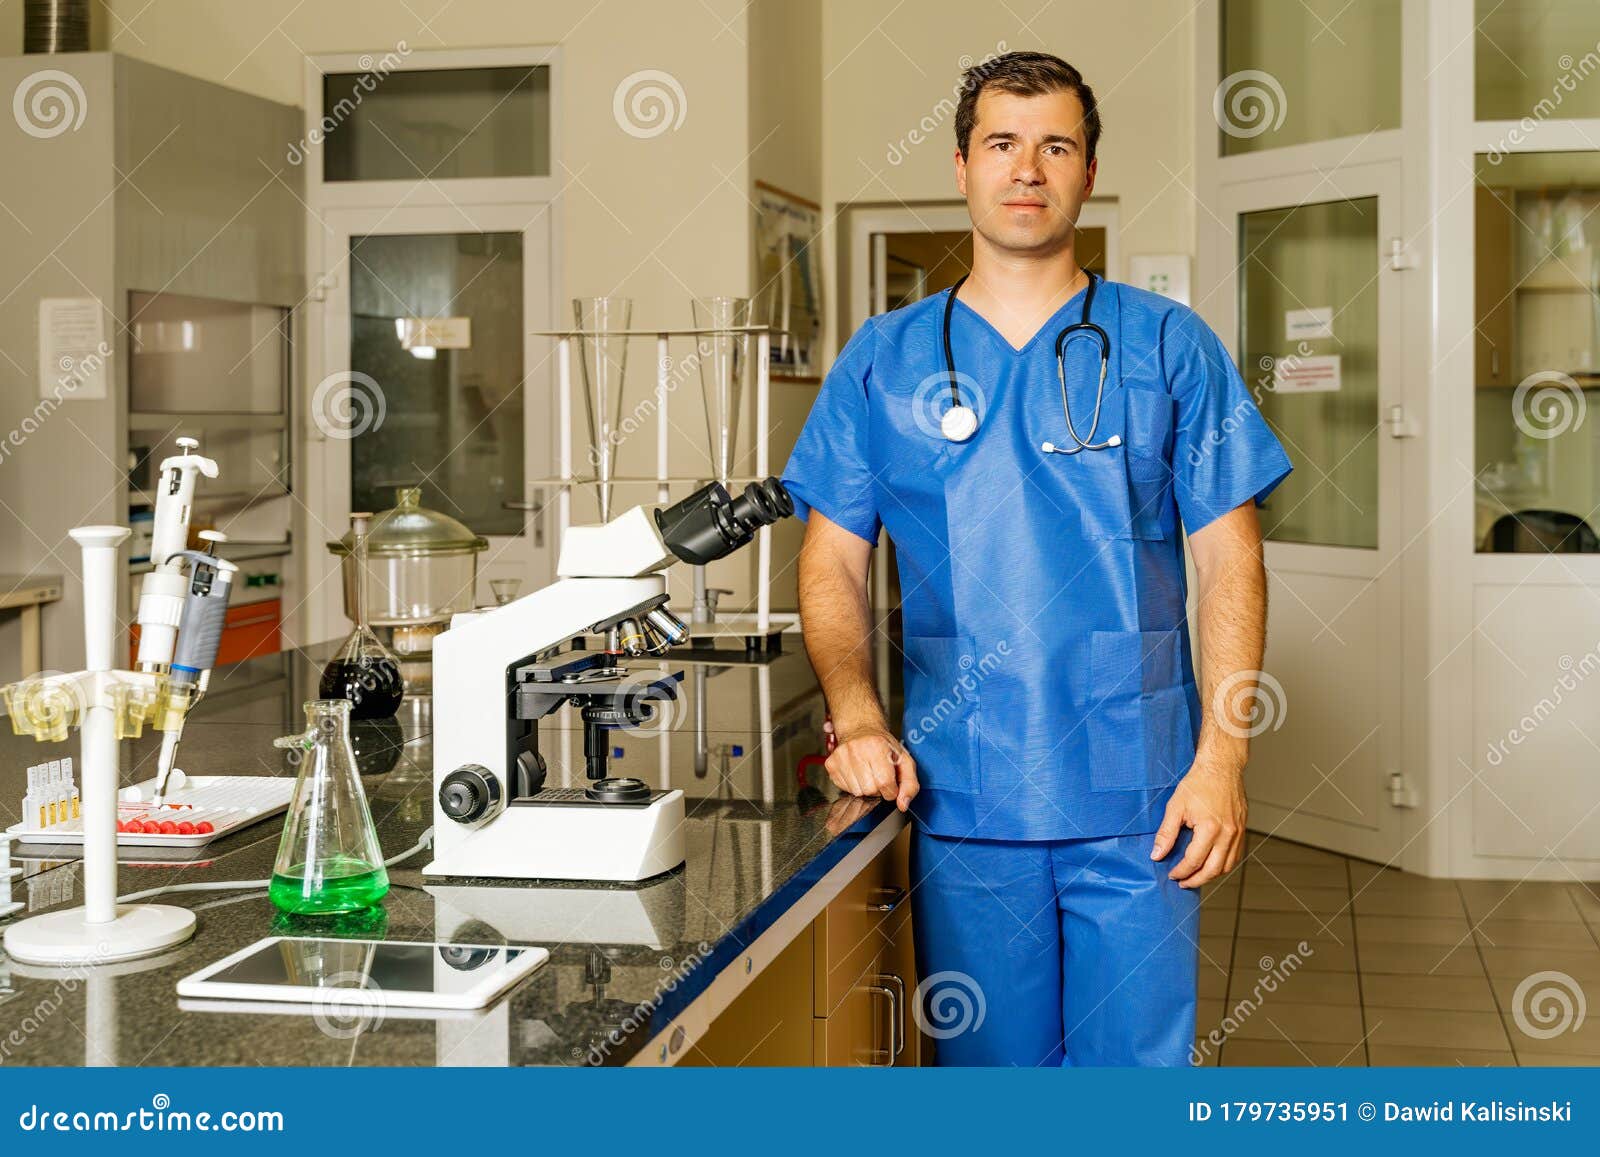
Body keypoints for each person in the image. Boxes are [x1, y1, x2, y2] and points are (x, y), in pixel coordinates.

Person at [781, 51, 1292, 1067]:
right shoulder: (883, 358)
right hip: (965, 791)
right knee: (993, 1084)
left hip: (1143, 797)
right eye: (1002, 144)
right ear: (962, 166)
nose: (1027, 169)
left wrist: (1223, 758)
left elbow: (1230, 564)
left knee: (1130, 1086)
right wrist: (859, 712)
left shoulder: (1169, 344)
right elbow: (832, 562)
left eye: (1055, 146)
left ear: (1087, 171)